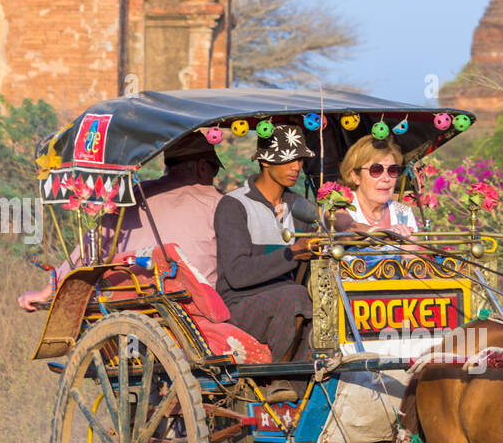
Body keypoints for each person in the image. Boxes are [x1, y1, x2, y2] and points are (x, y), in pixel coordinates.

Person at [17, 134, 222, 310]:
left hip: (127, 302)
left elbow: (89, 249)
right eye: (214, 171)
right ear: (203, 167)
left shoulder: (131, 196)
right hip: (195, 306)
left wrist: (48, 292)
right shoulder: (219, 203)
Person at [213, 124, 316, 378]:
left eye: (300, 159)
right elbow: (237, 274)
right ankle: (281, 380)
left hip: (287, 302)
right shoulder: (234, 205)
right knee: (295, 296)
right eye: (288, 159)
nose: (297, 167)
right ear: (266, 162)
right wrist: (291, 254)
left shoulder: (299, 207)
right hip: (239, 306)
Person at [333, 136, 419, 240]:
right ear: (355, 176)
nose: (386, 178)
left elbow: (412, 255)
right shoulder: (338, 204)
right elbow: (348, 227)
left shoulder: (403, 213)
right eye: (376, 170)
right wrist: (380, 233)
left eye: (392, 170)